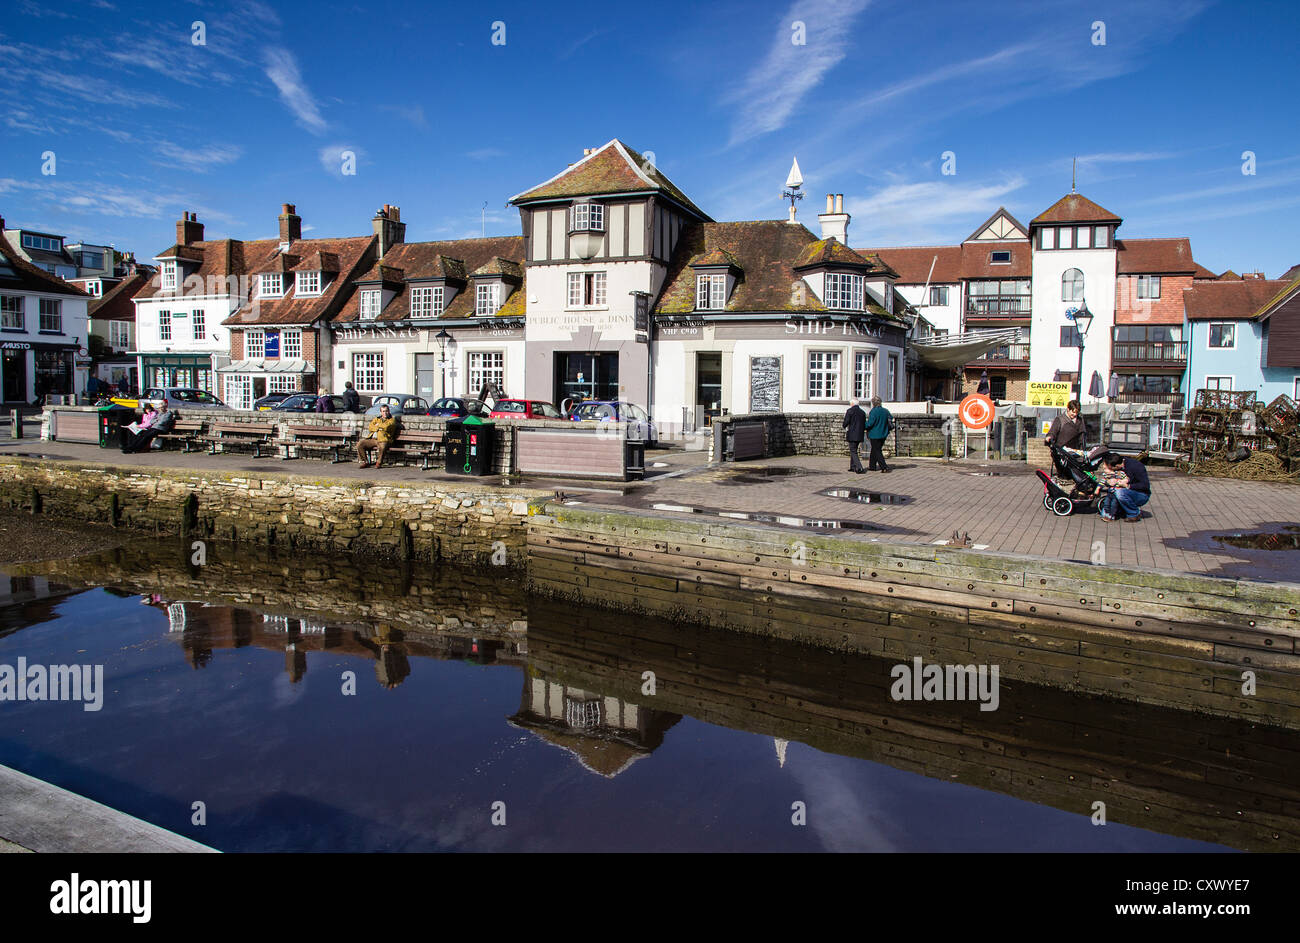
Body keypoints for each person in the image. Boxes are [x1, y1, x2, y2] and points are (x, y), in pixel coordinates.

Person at [1098, 451, 1151, 522]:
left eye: (1110, 468)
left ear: (1116, 466)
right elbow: (1106, 478)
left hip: (1141, 494)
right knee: (1105, 513)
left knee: (1119, 492)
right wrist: (1108, 482)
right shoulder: (1117, 466)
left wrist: (1127, 485)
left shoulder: (1136, 466)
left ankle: (1134, 514)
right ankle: (1119, 510)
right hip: (1120, 492)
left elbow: (1145, 485)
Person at [1045, 400, 1086, 478]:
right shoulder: (1060, 419)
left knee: (1075, 471)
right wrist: (1049, 437)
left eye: (1076, 413)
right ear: (1068, 409)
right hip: (1061, 450)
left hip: (1075, 450)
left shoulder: (1080, 421)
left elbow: (1082, 435)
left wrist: (1082, 450)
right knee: (1063, 471)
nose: (1074, 414)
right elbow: (1053, 431)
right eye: (1073, 412)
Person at [357, 403, 398, 468]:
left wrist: (377, 425)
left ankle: (379, 462)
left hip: (385, 439)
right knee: (360, 444)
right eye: (383, 411)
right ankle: (364, 461)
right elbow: (370, 427)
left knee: (382, 446)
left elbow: (386, 427)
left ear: (389, 411)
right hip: (374, 439)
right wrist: (379, 428)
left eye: (386, 411)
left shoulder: (391, 420)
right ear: (381, 412)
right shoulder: (377, 419)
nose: (385, 413)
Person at [865, 395, 893, 473]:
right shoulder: (885, 411)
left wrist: (863, 425)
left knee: (877, 450)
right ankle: (872, 466)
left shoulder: (873, 411)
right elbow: (890, 418)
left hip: (875, 434)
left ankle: (884, 467)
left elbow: (870, 424)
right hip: (884, 433)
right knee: (875, 449)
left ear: (873, 403)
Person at [842, 399, 867, 473]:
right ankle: (852, 467)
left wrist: (844, 426)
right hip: (860, 434)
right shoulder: (862, 412)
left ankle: (859, 467)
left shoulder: (850, 411)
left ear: (852, 404)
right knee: (854, 450)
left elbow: (846, 422)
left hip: (852, 434)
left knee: (853, 451)